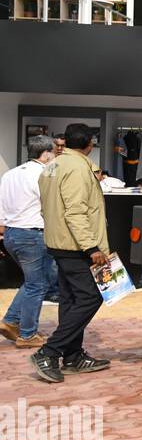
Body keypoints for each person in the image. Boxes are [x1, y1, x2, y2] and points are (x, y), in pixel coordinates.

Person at [30, 123, 113, 383]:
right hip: (77, 245)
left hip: (59, 241)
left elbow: (48, 207)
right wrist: (91, 247)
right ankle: (49, 351)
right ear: (90, 143)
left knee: (70, 300)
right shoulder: (78, 168)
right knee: (92, 297)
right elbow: (75, 212)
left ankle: (73, 356)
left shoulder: (52, 166)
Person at [0, 136, 60, 347]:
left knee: (33, 282)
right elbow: (51, 204)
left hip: (12, 233)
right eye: (54, 152)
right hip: (33, 234)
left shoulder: (10, 174)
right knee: (37, 284)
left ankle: (11, 321)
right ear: (46, 154)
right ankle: (27, 334)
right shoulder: (45, 174)